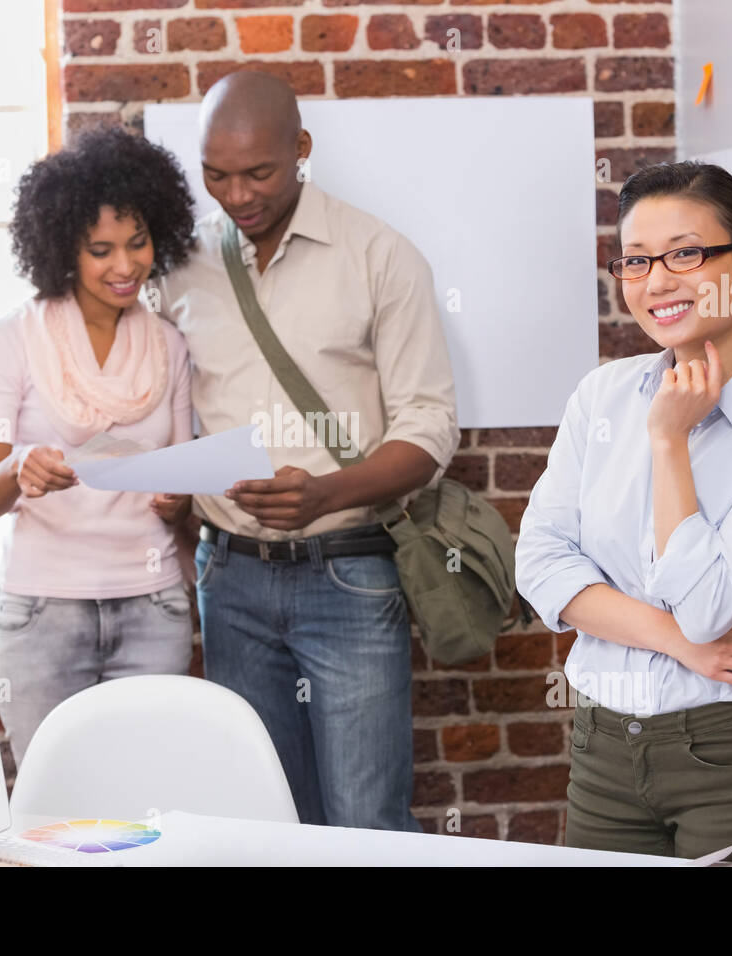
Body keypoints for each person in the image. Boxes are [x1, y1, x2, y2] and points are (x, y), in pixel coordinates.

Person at [155, 71, 460, 831]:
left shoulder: (380, 257)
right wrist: (172, 486)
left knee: (366, 823)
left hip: (350, 574)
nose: (237, 193)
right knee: (265, 819)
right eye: (215, 175)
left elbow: (429, 426)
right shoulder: (179, 267)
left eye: (258, 172)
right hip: (227, 579)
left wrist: (328, 493)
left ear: (302, 149)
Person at [514, 160, 732, 864]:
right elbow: (539, 564)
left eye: (686, 254)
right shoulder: (601, 397)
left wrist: (668, 440)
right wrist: (677, 643)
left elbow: (708, 607)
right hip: (602, 752)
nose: (656, 282)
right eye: (635, 261)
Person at [0, 127, 199, 768]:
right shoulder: (11, 341)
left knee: (148, 806)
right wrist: (19, 469)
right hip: (42, 616)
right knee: (53, 815)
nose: (125, 267)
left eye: (138, 243)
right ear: (65, 247)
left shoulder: (169, 348)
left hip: (154, 611)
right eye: (101, 250)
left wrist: (179, 503)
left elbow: (182, 500)